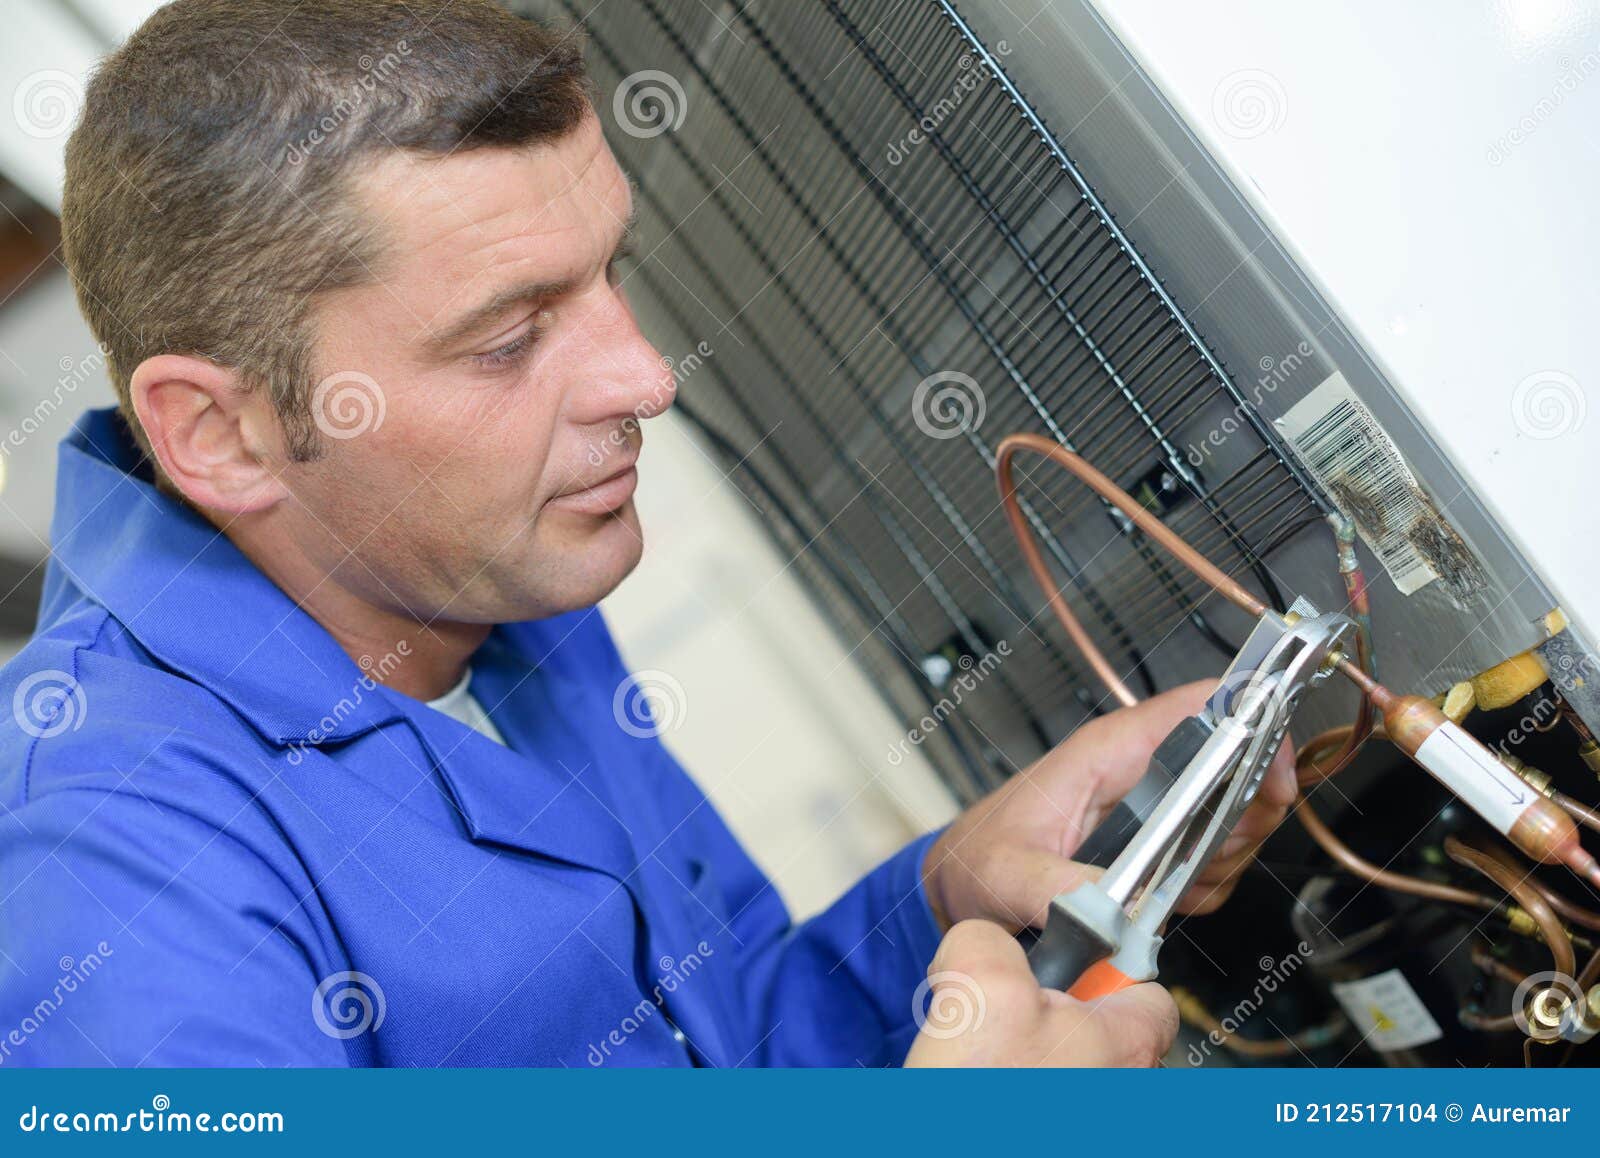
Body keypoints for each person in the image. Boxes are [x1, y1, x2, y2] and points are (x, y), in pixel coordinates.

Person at [0, 0, 1291, 1067]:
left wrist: (949, 893)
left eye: (609, 276)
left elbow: (722, 1055)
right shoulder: (106, 861)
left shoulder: (484, 578)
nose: (646, 376)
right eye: (509, 339)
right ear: (219, 435)